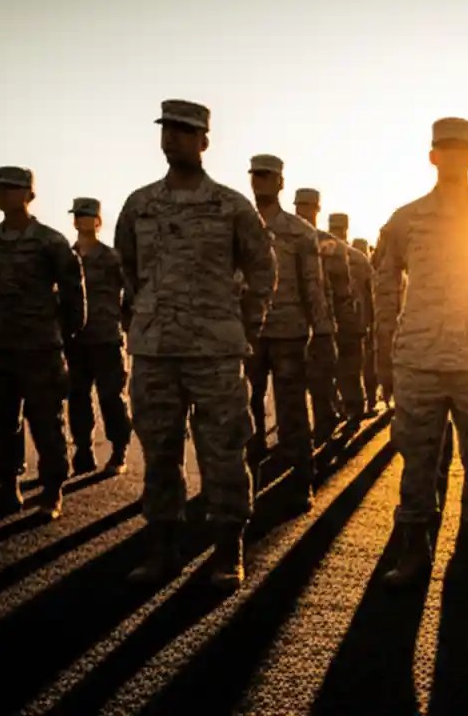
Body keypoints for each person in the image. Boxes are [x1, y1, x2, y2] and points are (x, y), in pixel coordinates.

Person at [115, 100, 277, 587]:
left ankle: (229, 551)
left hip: (215, 351)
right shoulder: (140, 204)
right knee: (160, 452)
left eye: (184, 132)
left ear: (204, 141)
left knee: (224, 451)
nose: (173, 139)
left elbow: (262, 268)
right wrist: (144, 315)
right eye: (167, 130)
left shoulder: (230, 206)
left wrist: (244, 322)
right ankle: (163, 549)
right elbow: (128, 265)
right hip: (156, 352)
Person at [375, 117, 468, 591]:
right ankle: (413, 550)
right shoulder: (405, 219)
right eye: (443, 149)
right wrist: (386, 347)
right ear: (432, 156)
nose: (452, 157)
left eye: (461, 150)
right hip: (419, 361)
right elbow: (385, 284)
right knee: (416, 460)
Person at [0, 167, 85, 520]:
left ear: (28, 194)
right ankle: (7, 487)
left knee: (46, 420)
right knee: (3, 420)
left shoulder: (49, 241)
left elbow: (73, 292)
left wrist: (67, 334)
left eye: (10, 189)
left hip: (40, 346)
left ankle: (52, 490)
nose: (2, 195)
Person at [247, 155, 327, 511]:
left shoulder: (299, 231)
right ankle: (245, 483)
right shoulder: (239, 224)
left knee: (292, 411)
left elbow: (314, 287)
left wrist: (323, 333)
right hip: (246, 332)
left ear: (280, 182)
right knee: (244, 411)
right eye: (255, 176)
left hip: (288, 333)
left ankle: (300, 481)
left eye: (266, 177)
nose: (259, 182)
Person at [67, 197, 133, 477]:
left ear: (98, 221)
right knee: (78, 397)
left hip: (106, 337)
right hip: (75, 339)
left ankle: (119, 451)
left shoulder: (111, 257)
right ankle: (84, 448)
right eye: (78, 215)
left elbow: (130, 291)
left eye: (88, 216)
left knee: (111, 398)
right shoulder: (66, 256)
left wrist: (126, 322)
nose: (82, 220)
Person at [294, 188, 352, 441]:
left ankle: (324, 427)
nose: (304, 211)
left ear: (317, 209)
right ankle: (298, 437)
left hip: (322, 325)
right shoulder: (282, 234)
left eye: (308, 206)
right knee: (294, 386)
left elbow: (342, 289)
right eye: (301, 206)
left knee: (321, 381)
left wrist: (342, 324)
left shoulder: (333, 246)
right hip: (291, 324)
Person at [329, 213, 373, 418]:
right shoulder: (359, 258)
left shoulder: (321, 253)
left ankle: (335, 409)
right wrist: (370, 322)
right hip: (354, 323)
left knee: (329, 371)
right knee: (353, 370)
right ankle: (355, 410)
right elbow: (371, 293)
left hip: (327, 323)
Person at [352, 237, 380, 410]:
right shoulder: (365, 266)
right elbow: (373, 296)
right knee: (369, 362)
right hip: (366, 322)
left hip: (346, 324)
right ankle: (370, 399)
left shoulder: (344, 261)